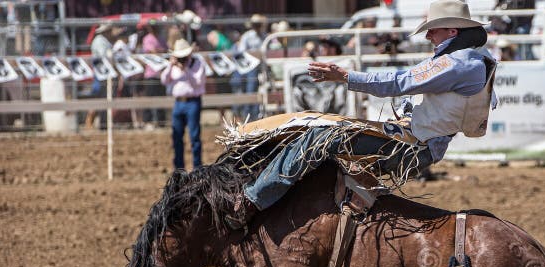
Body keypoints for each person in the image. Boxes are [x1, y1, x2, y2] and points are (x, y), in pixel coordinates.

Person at [228, 0, 497, 228]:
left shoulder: (457, 63)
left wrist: (345, 76)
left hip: (414, 146)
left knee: (322, 138)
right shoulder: (474, 59)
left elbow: (399, 81)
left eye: (433, 31)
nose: (428, 37)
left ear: (452, 30)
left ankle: (253, 199)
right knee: (333, 136)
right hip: (419, 143)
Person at [161, 38, 206, 170]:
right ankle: (179, 168)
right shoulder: (173, 67)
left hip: (193, 102)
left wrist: (186, 69)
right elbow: (164, 80)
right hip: (178, 103)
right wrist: (171, 65)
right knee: (177, 137)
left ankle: (197, 167)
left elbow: (198, 83)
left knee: (194, 137)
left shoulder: (197, 64)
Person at [229, 14, 269, 123]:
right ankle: (245, 116)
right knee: (246, 91)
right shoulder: (248, 36)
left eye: (258, 24)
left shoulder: (265, 36)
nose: (256, 27)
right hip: (247, 67)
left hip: (258, 68)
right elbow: (242, 52)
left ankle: (252, 116)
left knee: (252, 92)